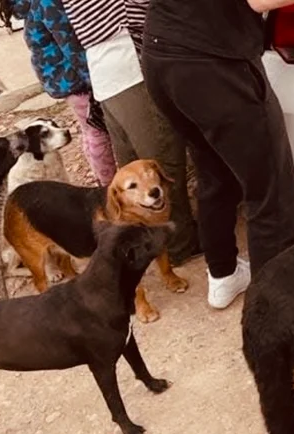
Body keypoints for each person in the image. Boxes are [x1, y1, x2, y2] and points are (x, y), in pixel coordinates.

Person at [142, 0, 294, 309]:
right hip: (212, 62)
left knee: (214, 172)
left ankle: (224, 275)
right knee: (271, 196)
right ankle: (273, 311)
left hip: (161, 54)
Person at [61, 0, 200, 272]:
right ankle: (179, 246)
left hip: (104, 70)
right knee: (162, 166)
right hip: (129, 65)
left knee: (132, 170)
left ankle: (144, 245)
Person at [0, 0, 117, 185]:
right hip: (77, 78)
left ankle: (101, 178)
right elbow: (70, 44)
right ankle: (109, 185)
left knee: (89, 130)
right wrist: (92, 77)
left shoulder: (28, 5)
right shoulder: (47, 3)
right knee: (98, 132)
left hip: (64, 79)